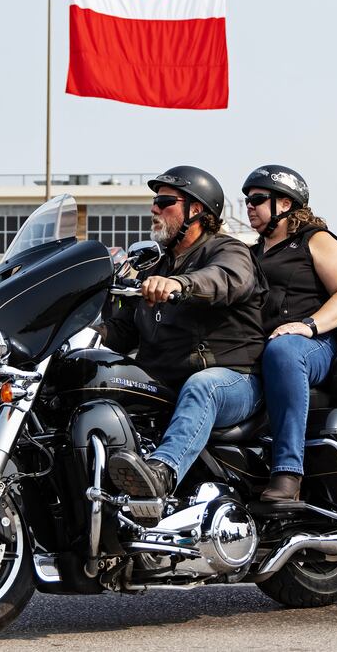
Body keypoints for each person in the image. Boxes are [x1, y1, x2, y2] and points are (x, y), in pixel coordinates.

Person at [100, 166, 266, 516]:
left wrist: (180, 285)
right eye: (155, 202)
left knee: (202, 386)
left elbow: (226, 279)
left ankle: (163, 473)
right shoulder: (152, 270)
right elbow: (121, 334)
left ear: (198, 211)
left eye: (164, 201)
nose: (154, 209)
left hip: (233, 378)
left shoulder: (229, 252)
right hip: (167, 379)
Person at [240, 164, 337, 505]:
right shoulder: (251, 253)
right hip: (268, 344)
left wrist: (309, 325)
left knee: (284, 350)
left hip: (314, 344)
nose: (249, 206)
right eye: (247, 199)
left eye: (258, 199)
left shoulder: (315, 239)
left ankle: (288, 470)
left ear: (285, 204)